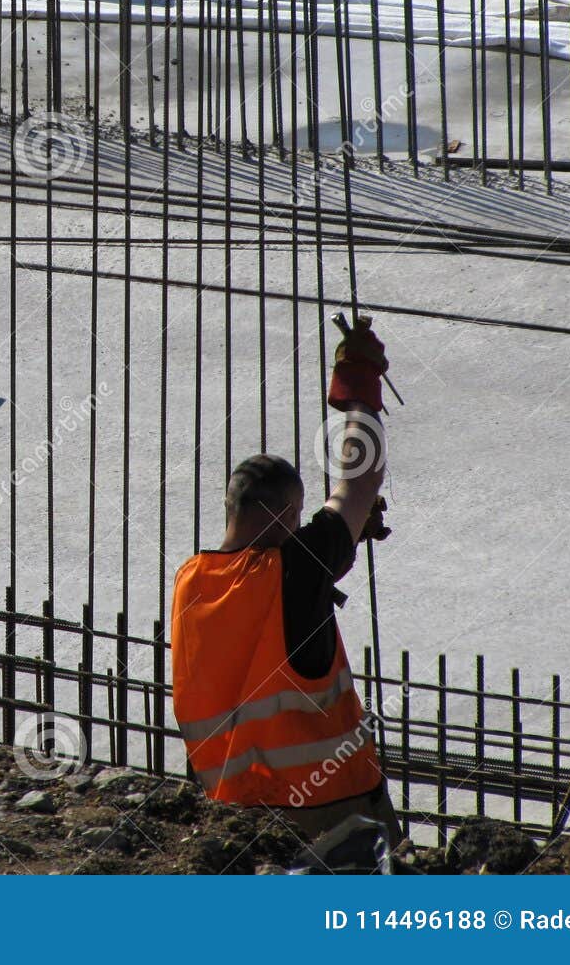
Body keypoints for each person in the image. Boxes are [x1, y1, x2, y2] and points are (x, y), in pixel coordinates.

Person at [169, 316, 400, 842]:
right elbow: (360, 477)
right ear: (289, 515)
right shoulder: (294, 568)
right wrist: (359, 386)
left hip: (234, 816)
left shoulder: (192, 580)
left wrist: (342, 540)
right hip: (332, 810)